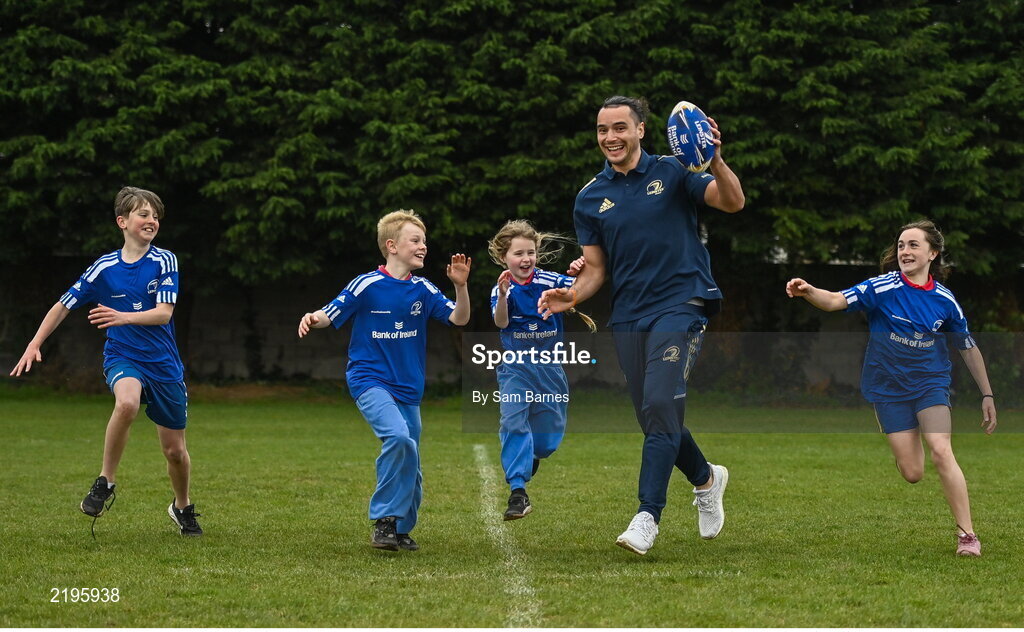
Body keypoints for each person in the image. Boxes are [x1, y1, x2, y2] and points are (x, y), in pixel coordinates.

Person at [538, 95, 745, 555]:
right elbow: (595, 269)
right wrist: (571, 295)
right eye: (602, 130)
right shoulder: (590, 197)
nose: (610, 137)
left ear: (640, 131)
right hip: (630, 314)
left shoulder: (674, 171)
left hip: (682, 303)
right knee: (654, 415)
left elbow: (732, 201)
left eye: (619, 128)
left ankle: (647, 515)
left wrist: (715, 159)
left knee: (659, 403)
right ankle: (706, 478)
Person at [786, 219, 997, 557]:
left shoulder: (945, 300)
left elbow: (967, 347)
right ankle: (904, 450)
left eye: (913, 245)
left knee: (941, 449)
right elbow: (836, 300)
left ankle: (967, 535)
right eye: (901, 245)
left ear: (933, 253)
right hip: (888, 387)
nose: (905, 251)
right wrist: (809, 291)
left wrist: (987, 394)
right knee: (913, 473)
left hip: (930, 383)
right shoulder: (881, 287)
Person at [10, 186, 202, 537]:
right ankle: (105, 481)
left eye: (156, 216)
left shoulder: (165, 260)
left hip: (163, 364)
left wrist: (123, 316)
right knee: (126, 403)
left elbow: (163, 314)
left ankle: (182, 506)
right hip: (123, 356)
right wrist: (34, 343)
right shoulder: (104, 268)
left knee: (175, 451)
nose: (152, 220)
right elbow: (63, 305)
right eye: (144, 214)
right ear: (122, 221)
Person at [298, 209, 470, 551]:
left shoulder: (423, 288)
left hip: (409, 388)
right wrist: (312, 317)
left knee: (411, 458)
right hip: (369, 379)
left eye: (424, 241)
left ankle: (401, 529)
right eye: (415, 240)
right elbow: (330, 312)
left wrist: (460, 286)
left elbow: (459, 318)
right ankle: (384, 520)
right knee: (398, 438)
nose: (423, 246)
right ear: (392, 246)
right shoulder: (367, 285)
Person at [488, 220, 594, 520]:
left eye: (530, 253)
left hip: (550, 370)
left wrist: (578, 271)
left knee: (546, 444)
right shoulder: (501, 289)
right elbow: (501, 322)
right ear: (504, 257)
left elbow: (579, 287)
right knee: (513, 421)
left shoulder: (549, 280)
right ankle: (517, 492)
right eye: (518, 253)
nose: (526, 259)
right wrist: (504, 295)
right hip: (515, 368)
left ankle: (531, 457)